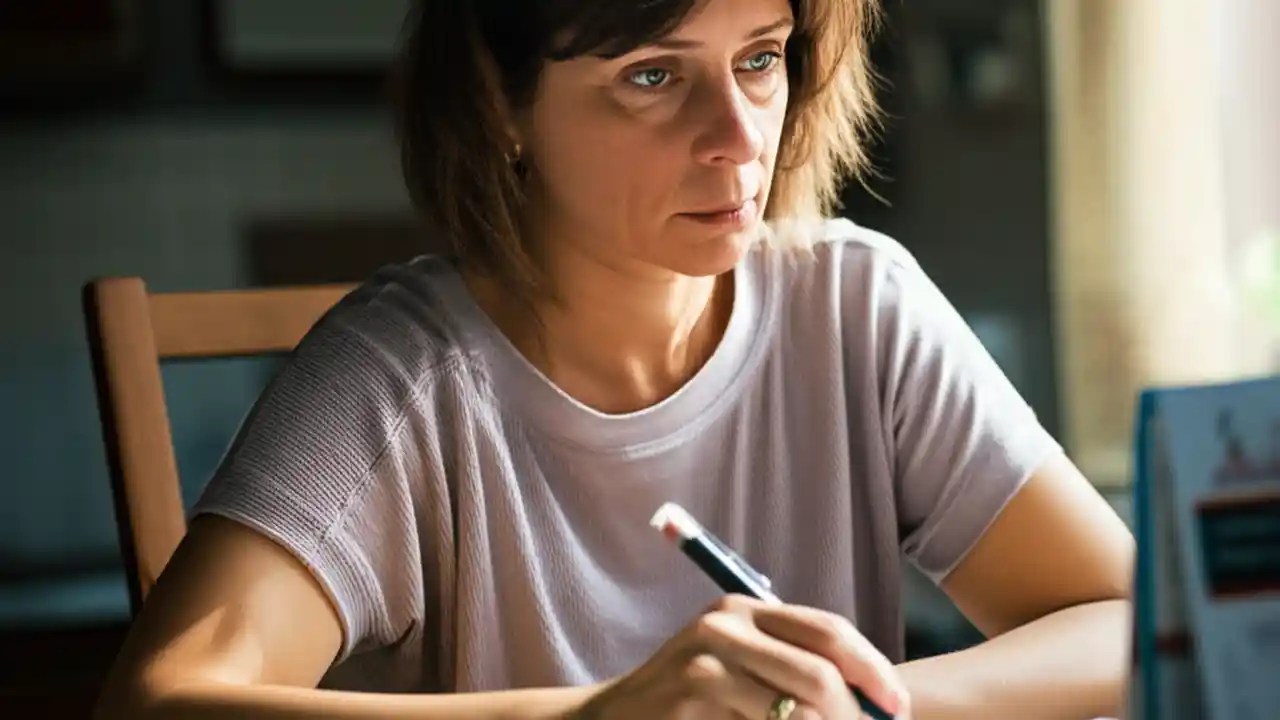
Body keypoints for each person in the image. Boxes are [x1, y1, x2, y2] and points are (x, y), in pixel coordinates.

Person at [94, 0, 1135, 718]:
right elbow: (155, 704)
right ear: (500, 103)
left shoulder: (853, 303)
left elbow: (1131, 620)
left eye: (759, 58)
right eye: (651, 75)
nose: (738, 137)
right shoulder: (400, 382)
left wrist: (850, 701)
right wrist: (597, 717)